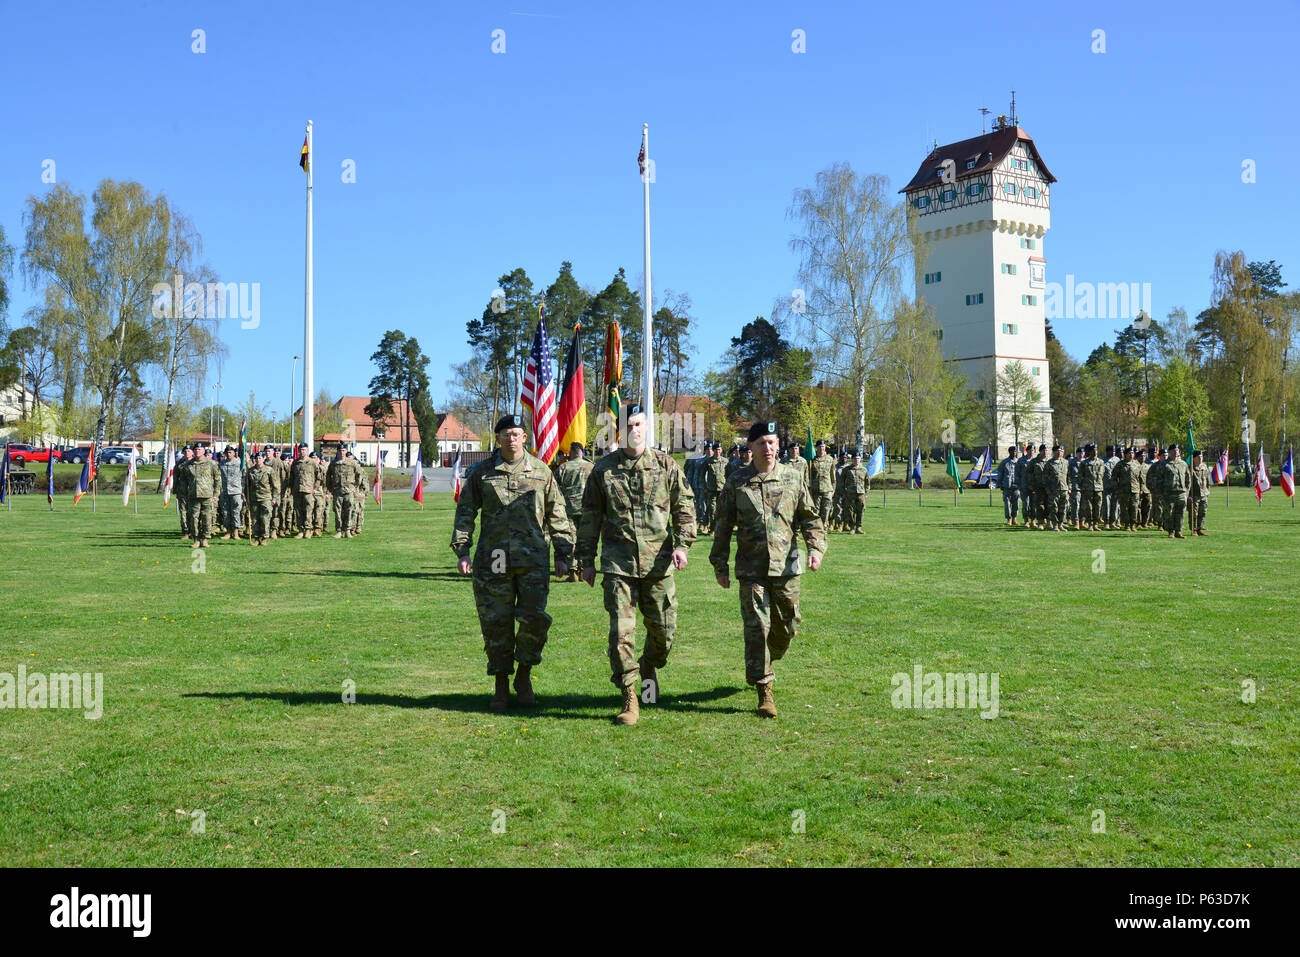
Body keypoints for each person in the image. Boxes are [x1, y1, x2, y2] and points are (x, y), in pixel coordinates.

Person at [575, 403, 695, 726]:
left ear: (647, 427)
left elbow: (685, 507)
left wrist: (682, 546)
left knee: (664, 632)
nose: (635, 430)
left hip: (658, 565)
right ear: (620, 430)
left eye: (639, 424)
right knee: (620, 635)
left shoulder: (666, 466)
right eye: (629, 425)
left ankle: (650, 665)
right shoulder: (603, 470)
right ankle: (630, 697)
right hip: (619, 565)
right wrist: (585, 560)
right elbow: (590, 518)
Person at [452, 414, 573, 710]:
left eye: (516, 433)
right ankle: (501, 683)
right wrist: (463, 550)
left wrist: (563, 553)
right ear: (498, 438)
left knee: (534, 619)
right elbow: (466, 512)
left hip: (532, 559)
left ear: (524, 438)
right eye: (506, 434)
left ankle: (524, 675)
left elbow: (558, 515)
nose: (511, 439)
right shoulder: (482, 473)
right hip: (493, 559)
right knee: (496, 622)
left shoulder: (542, 472)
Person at [710, 420, 826, 718]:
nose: (768, 448)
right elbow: (722, 526)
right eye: (762, 442)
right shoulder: (737, 482)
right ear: (751, 447)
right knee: (757, 628)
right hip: (751, 568)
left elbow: (810, 517)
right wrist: (719, 564)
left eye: (772, 442)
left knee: (788, 625)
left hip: (787, 567)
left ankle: (766, 659)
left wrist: (816, 548)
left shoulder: (792, 476)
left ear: (778, 446)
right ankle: (764, 690)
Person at [554, 442, 594, 579]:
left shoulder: (563, 467)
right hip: (587, 508)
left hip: (568, 508)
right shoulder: (592, 467)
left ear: (571, 452)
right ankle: (583, 569)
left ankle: (572, 570)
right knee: (584, 539)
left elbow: (555, 488)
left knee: (570, 538)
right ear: (582, 452)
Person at [188, 446, 221, 548]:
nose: (197, 451)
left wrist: (216, 494)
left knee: (207, 518)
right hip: (193, 495)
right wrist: (184, 494)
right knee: (194, 519)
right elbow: (184, 480)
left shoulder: (212, 463)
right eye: (196, 449)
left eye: (200, 449)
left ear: (203, 451)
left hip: (207, 495)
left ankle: (205, 539)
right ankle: (196, 539)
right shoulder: (188, 464)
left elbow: (217, 479)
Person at [245, 451, 276, 546]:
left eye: (260, 458)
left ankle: (264, 538)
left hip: (265, 498)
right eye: (257, 458)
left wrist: (274, 498)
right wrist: (247, 498)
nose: (258, 460)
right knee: (255, 519)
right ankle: (256, 538)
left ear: (263, 459)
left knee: (265, 518)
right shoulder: (250, 471)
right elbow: (247, 486)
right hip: (254, 498)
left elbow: (275, 485)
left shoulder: (269, 470)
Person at [1161, 444, 1191, 539]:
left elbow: (1188, 478)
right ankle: (1171, 531)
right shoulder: (1164, 464)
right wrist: (1160, 492)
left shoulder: (1183, 464)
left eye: (1177, 450)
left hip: (1181, 492)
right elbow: (1158, 479)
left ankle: (1178, 531)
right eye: (1173, 450)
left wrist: (1187, 491)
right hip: (1169, 493)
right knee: (1169, 513)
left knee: (1180, 512)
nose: (1176, 452)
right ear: (1169, 452)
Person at [837, 451, 869, 534]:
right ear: (852, 459)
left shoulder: (864, 469)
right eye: (855, 459)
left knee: (860, 511)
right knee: (850, 511)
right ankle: (851, 527)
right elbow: (841, 482)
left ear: (860, 459)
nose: (856, 460)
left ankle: (859, 527)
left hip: (861, 493)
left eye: (858, 458)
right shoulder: (846, 469)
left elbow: (867, 483)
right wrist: (844, 492)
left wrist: (866, 493)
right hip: (850, 493)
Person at [290, 444, 317, 538]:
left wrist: (315, 488)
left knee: (308, 510)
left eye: (304, 450)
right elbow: (292, 477)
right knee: (298, 511)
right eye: (301, 450)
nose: (302, 451)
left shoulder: (312, 462)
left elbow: (318, 476)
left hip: (308, 490)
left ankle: (308, 529)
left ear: (307, 450)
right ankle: (300, 530)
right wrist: (291, 489)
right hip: (297, 489)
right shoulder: (295, 462)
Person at [218, 446, 244, 540]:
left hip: (236, 491)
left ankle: (236, 532)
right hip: (224, 491)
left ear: (234, 453)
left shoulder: (239, 463)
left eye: (230, 452)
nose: (229, 454)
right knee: (226, 512)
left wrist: (243, 490)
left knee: (236, 512)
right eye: (227, 452)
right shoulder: (221, 464)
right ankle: (228, 532)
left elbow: (244, 477)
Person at [808, 439, 836, 527]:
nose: (821, 448)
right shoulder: (812, 460)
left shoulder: (830, 459)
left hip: (827, 489)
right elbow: (809, 476)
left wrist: (833, 490)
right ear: (816, 448)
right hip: (816, 489)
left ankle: (824, 527)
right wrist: (809, 489)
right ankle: (816, 527)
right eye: (820, 447)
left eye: (823, 447)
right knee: (815, 510)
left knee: (826, 509)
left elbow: (833, 476)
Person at [1113, 447, 1141, 531]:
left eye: (1132, 453)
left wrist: (1141, 489)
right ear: (1125, 455)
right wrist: (1117, 489)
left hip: (1135, 490)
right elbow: (1114, 478)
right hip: (1123, 491)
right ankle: (1127, 525)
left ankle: (1133, 524)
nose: (1131, 455)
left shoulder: (1137, 464)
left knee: (1134, 507)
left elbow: (1141, 478)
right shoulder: (1120, 464)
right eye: (1129, 453)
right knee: (1124, 508)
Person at [1042, 444, 1069, 530]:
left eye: (1061, 451)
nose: (1060, 452)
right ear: (1054, 452)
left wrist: (1069, 487)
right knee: (1054, 509)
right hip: (1053, 490)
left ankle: (1061, 524)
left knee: (1063, 509)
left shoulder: (1066, 462)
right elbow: (1044, 478)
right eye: (1058, 451)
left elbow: (1069, 476)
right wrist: (1047, 489)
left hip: (1064, 489)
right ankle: (1055, 525)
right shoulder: (1049, 463)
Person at [701, 442, 727, 534]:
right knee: (712, 510)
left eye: (719, 449)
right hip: (711, 490)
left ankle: (721, 528)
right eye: (716, 450)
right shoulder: (708, 462)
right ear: (713, 450)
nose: (717, 451)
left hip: (722, 491)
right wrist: (705, 487)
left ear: (721, 450)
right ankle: (713, 529)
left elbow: (729, 476)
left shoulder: (725, 461)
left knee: (723, 510)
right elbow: (702, 475)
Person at [1078, 443, 1105, 531]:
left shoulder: (1101, 462)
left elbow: (1102, 475)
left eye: (1096, 450)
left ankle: (1096, 524)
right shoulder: (1084, 463)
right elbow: (1080, 476)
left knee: (1098, 507)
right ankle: (1089, 524)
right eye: (1093, 450)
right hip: (1087, 488)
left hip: (1098, 488)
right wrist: (1082, 486)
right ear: (1089, 452)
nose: (1095, 452)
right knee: (1088, 508)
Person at [1189, 450, 1212, 536]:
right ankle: (1194, 529)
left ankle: (1200, 528)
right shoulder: (1190, 468)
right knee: (1194, 513)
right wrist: (1188, 495)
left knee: (1203, 512)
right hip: (1194, 494)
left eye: (1201, 457)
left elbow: (1207, 480)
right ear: (1194, 458)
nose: (1201, 458)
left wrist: (1208, 491)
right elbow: (1187, 483)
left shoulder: (1204, 467)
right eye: (1199, 457)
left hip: (1204, 494)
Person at [996, 445, 1020, 526]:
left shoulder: (1019, 462)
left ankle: (1014, 519)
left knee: (1016, 503)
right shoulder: (1004, 462)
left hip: (1017, 487)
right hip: (1006, 486)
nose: (1014, 453)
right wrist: (999, 484)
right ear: (1009, 452)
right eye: (1013, 451)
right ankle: (1009, 519)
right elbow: (1000, 474)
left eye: (1016, 451)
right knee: (1007, 504)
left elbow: (1022, 474)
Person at [1025, 444, 1047, 529]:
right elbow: (1028, 473)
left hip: (1048, 487)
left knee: (1049, 505)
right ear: (1040, 451)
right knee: (1039, 506)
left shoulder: (1049, 461)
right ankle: (1040, 523)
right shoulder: (1034, 461)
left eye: (1046, 450)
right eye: (1044, 450)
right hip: (1038, 487)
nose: (1045, 452)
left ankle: (1049, 522)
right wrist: (1031, 484)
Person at [175, 446, 195, 540]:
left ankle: (194, 532)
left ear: (192, 452)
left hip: (194, 492)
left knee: (194, 513)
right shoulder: (179, 464)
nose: (187, 453)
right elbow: (175, 477)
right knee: (183, 513)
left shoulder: (196, 462)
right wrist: (175, 489)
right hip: (182, 492)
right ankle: (186, 532)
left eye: (189, 451)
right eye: (185, 451)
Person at [1148, 448, 1169, 531]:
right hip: (1158, 491)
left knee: (1167, 509)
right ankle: (1160, 524)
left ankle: (1166, 524)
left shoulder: (1170, 465)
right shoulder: (1155, 466)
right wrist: (1152, 489)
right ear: (1159, 456)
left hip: (1168, 491)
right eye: (1164, 456)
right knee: (1159, 509)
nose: (1165, 457)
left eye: (1167, 455)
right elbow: (1149, 478)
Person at [1136, 448, 1153, 528]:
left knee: (1147, 507)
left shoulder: (1148, 466)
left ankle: (1145, 523)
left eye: (1144, 456)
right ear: (1138, 457)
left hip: (1147, 490)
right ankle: (1138, 523)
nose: (1143, 458)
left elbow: (1150, 478)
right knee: (1138, 507)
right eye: (1141, 456)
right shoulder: (1135, 466)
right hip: (1137, 489)